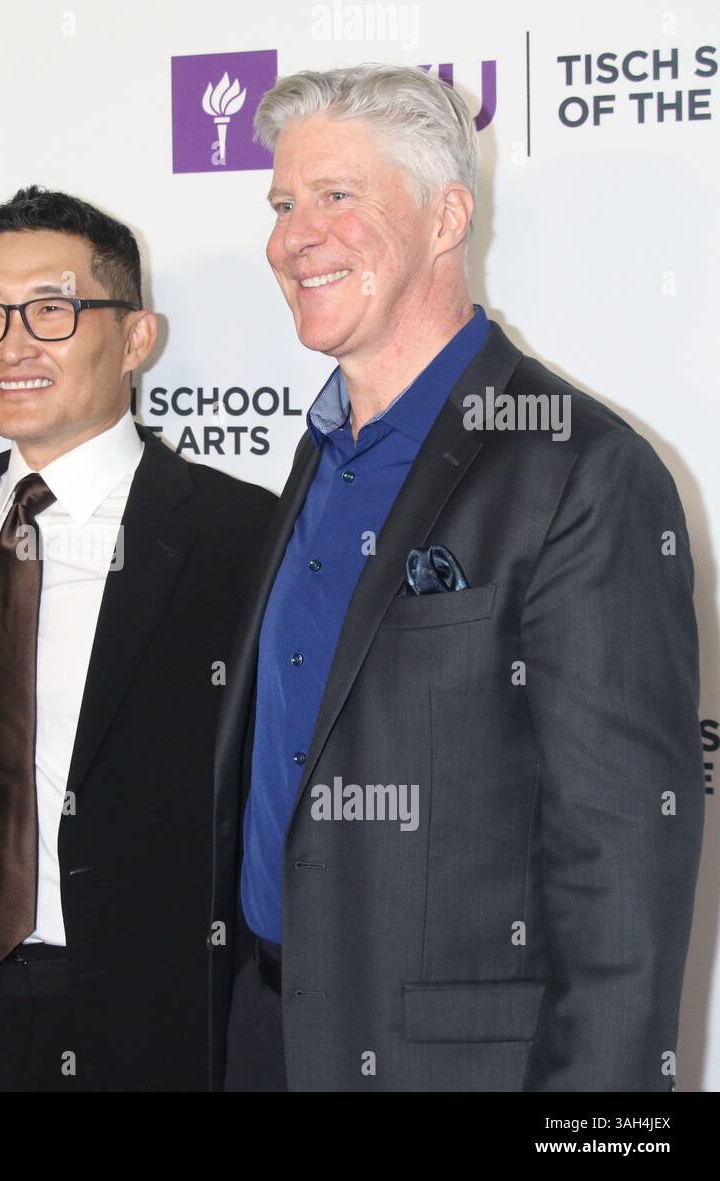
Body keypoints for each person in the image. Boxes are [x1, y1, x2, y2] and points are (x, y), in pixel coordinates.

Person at [212, 63, 703, 1091]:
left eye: (337, 197)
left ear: (446, 218)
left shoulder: (582, 469)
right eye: (282, 202)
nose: (292, 236)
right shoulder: (316, 451)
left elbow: (621, 883)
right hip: (267, 1030)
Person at [0, 186, 276, 1090]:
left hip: (146, 1017)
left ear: (135, 338)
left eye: (51, 310)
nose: (12, 344)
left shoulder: (239, 537)